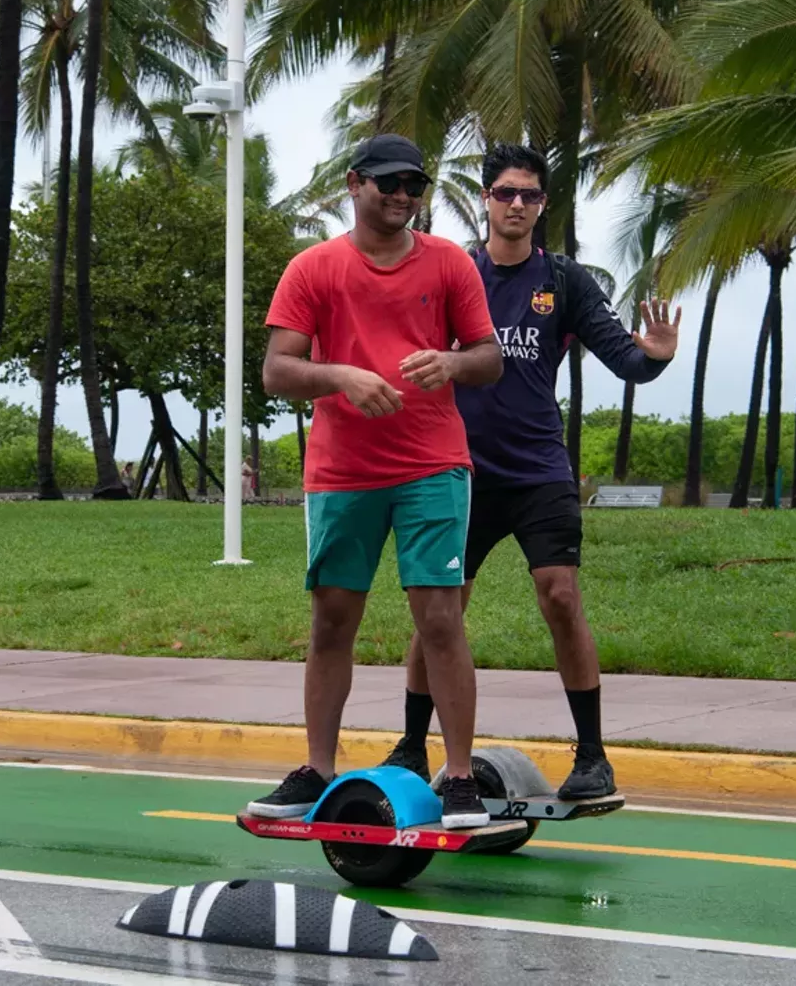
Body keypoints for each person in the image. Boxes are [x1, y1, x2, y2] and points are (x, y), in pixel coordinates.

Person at [379, 143, 681, 800]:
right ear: (486, 199)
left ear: (542, 207)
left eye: (531, 196)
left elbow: (626, 361)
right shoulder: (453, 273)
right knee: (440, 611)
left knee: (561, 597)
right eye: (506, 193)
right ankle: (409, 744)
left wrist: (653, 358)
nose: (517, 205)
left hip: (538, 470)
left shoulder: (565, 282)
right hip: (458, 471)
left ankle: (593, 758)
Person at [247, 134, 504, 829]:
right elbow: (276, 370)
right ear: (354, 185)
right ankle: (316, 770)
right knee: (332, 620)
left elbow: (489, 357)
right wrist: (341, 376)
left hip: (431, 465)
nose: (401, 196)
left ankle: (457, 777)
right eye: (388, 182)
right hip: (342, 473)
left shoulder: (449, 263)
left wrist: (450, 365)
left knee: (441, 619)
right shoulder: (314, 268)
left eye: (414, 185)